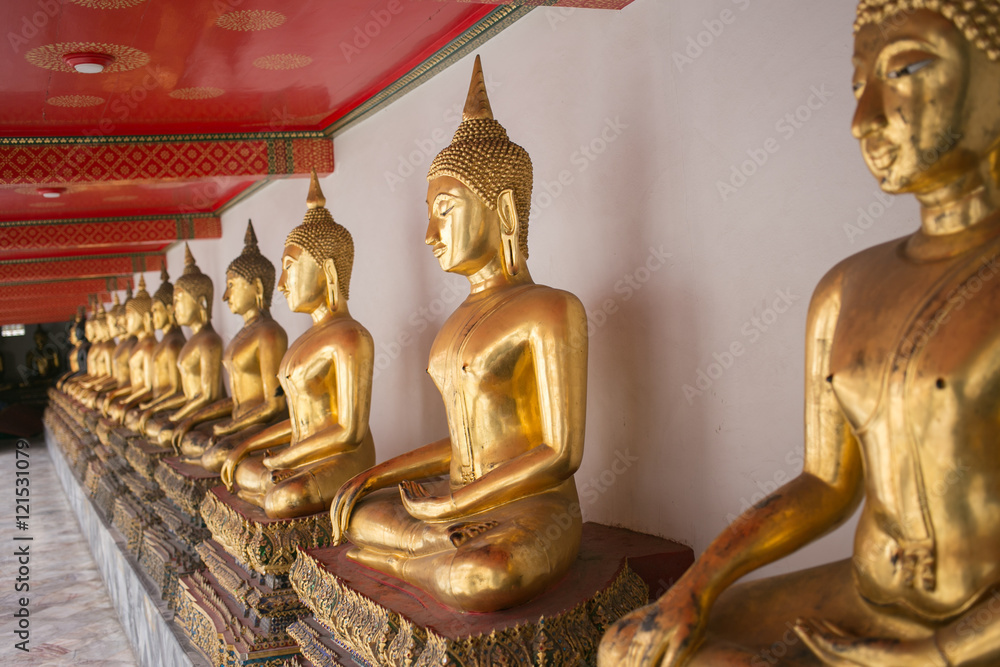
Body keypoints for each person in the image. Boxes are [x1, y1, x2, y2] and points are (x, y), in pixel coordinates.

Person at [599, 3, 1000, 665]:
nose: (864, 118)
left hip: (977, 622)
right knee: (628, 648)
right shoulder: (847, 287)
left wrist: (937, 653)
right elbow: (823, 483)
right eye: (857, 85)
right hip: (867, 592)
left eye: (907, 68)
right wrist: (697, 585)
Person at [327, 56, 589, 613]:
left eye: (444, 211)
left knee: (482, 576)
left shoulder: (550, 309)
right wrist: (372, 476)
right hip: (459, 503)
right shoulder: (452, 327)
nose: (429, 234)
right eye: (429, 214)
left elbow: (561, 452)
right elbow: (465, 440)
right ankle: (423, 550)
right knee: (364, 515)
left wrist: (452, 508)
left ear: (504, 209)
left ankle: (411, 557)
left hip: (533, 506)